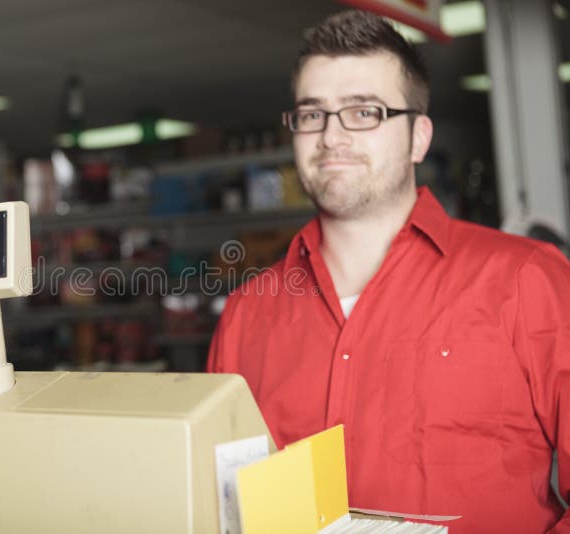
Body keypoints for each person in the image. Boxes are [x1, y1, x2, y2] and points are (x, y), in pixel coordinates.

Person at [207, 10, 570, 534]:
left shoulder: (527, 281)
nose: (331, 137)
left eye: (364, 112)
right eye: (312, 114)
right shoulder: (246, 315)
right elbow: (225, 506)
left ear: (418, 138)